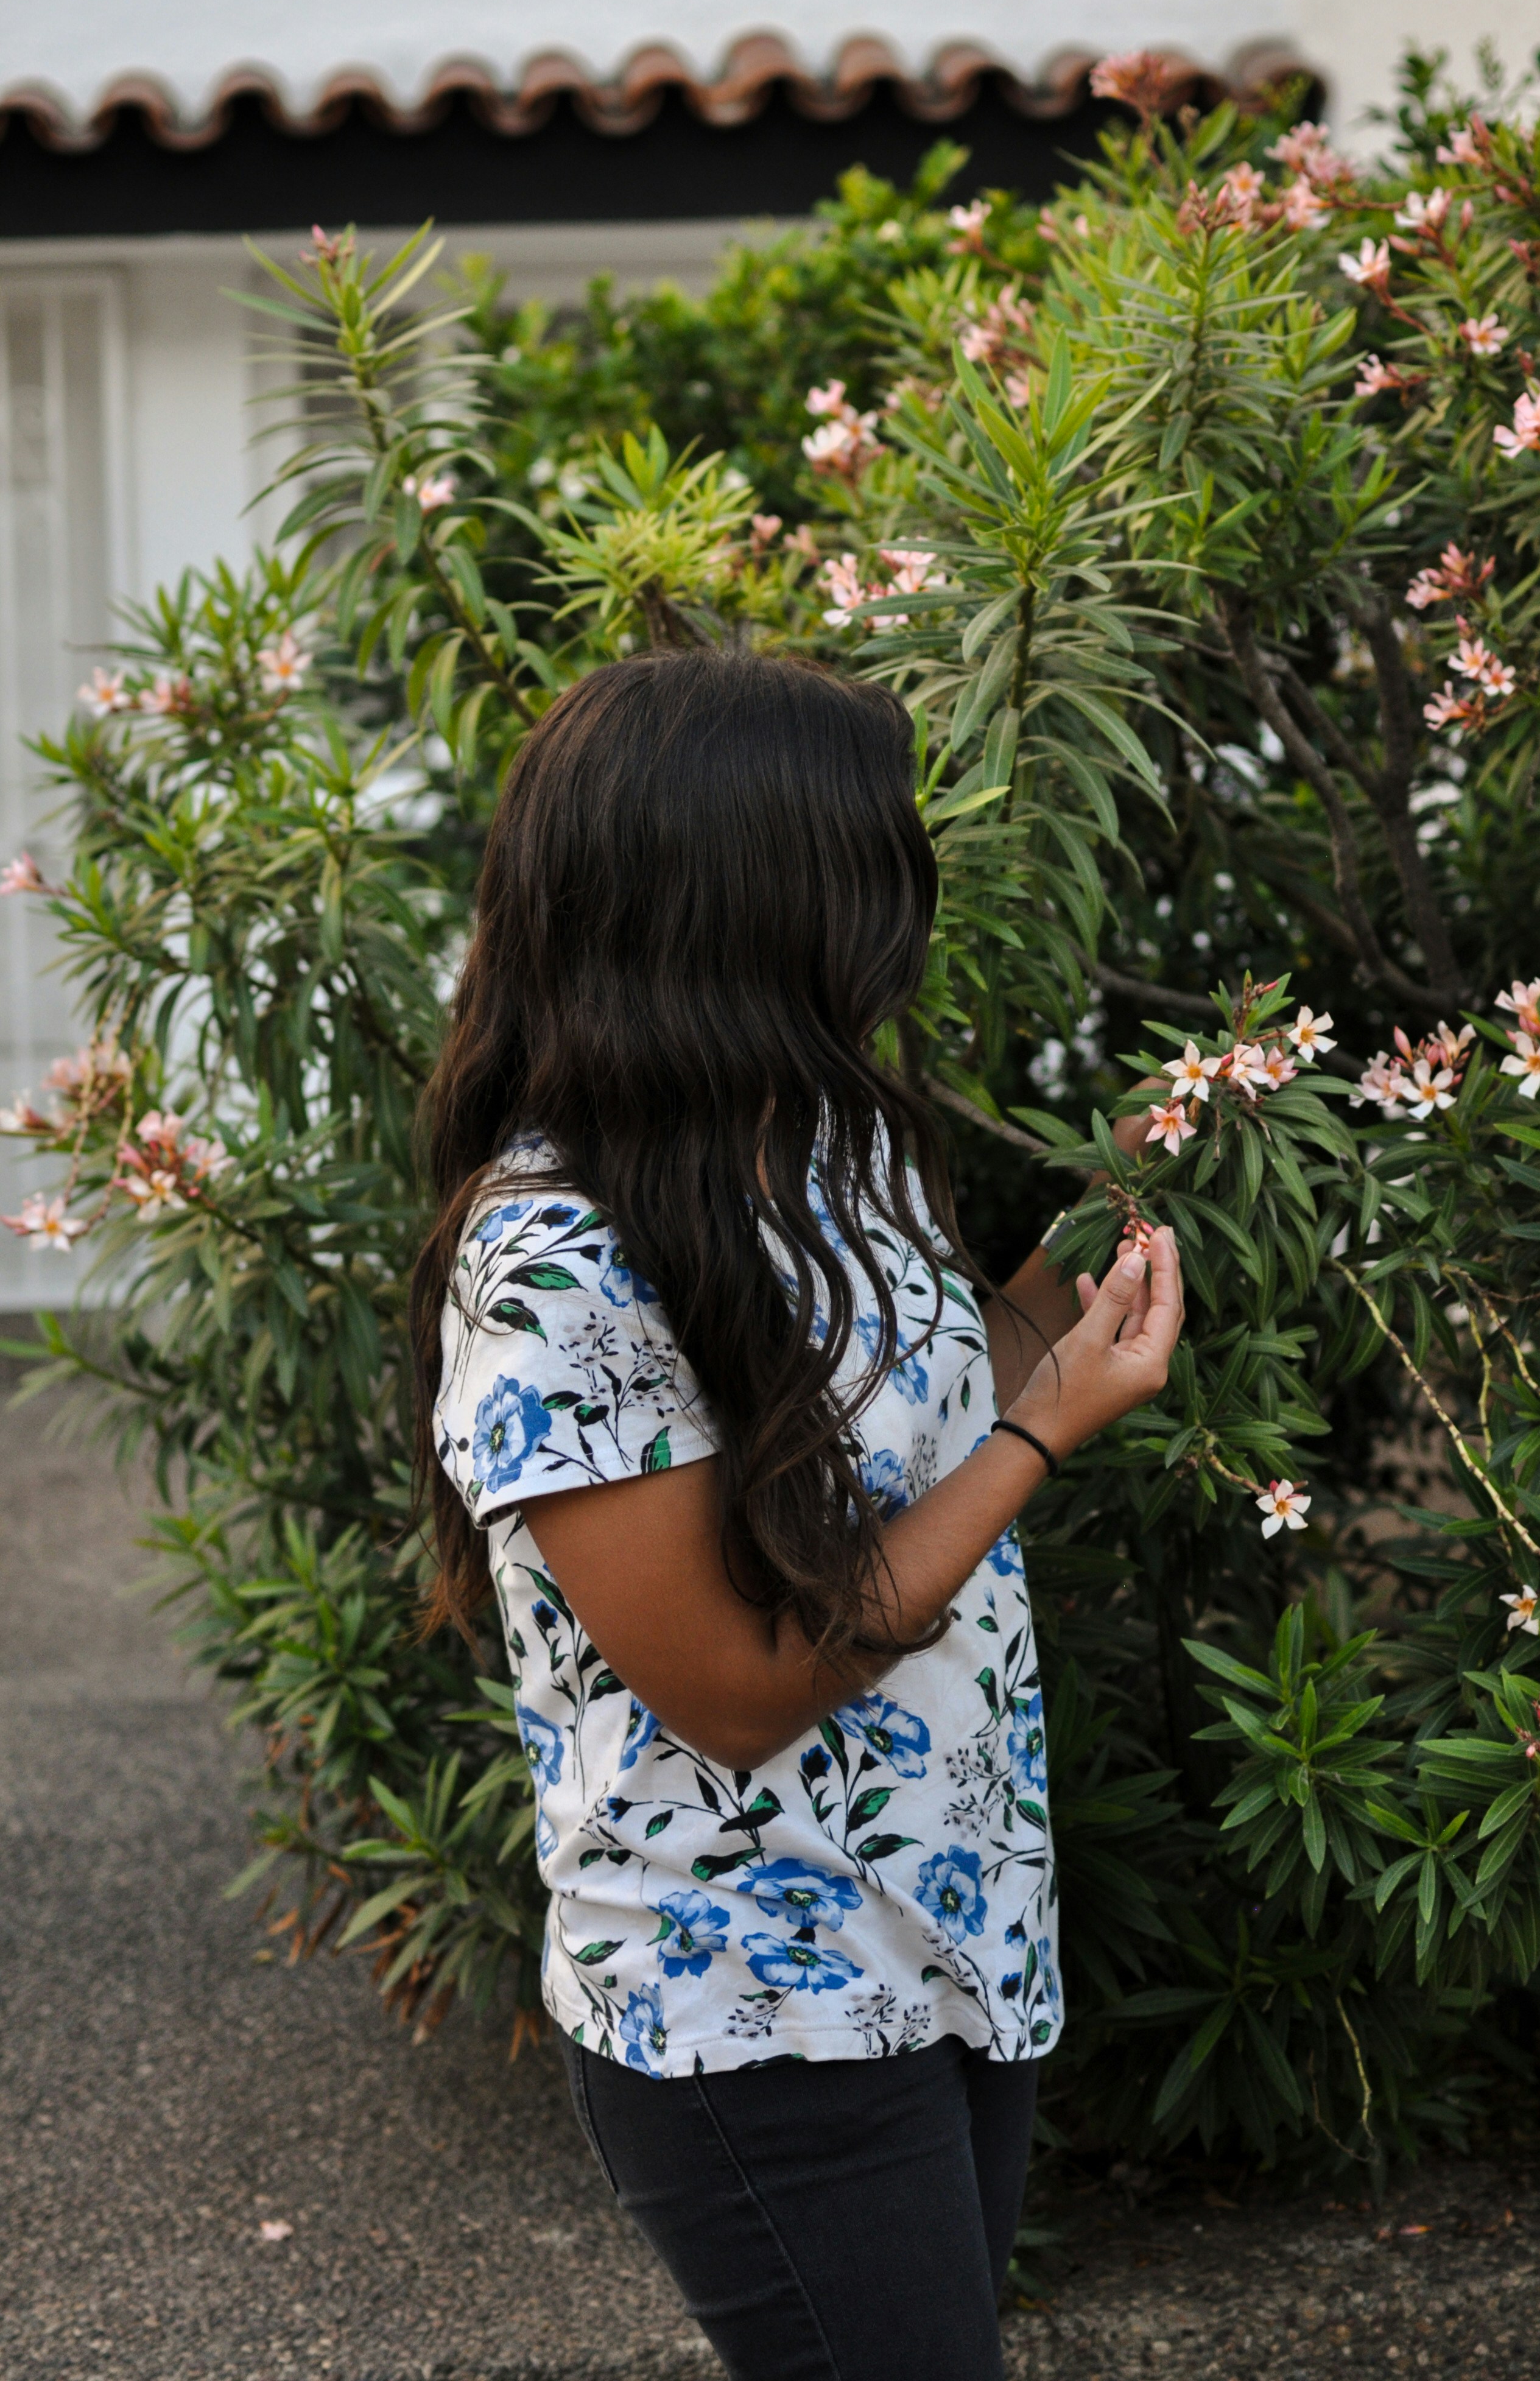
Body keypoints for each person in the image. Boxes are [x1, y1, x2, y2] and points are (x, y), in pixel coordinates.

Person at [410, 649, 1183, 2381]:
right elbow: (744, 1686)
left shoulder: (820, 1133)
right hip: (754, 2005)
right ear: (752, 894)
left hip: (948, 1923)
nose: (905, 889)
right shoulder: (555, 1261)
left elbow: (930, 1399)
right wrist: (1051, 1432)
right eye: (877, 851)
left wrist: (1100, 1241)